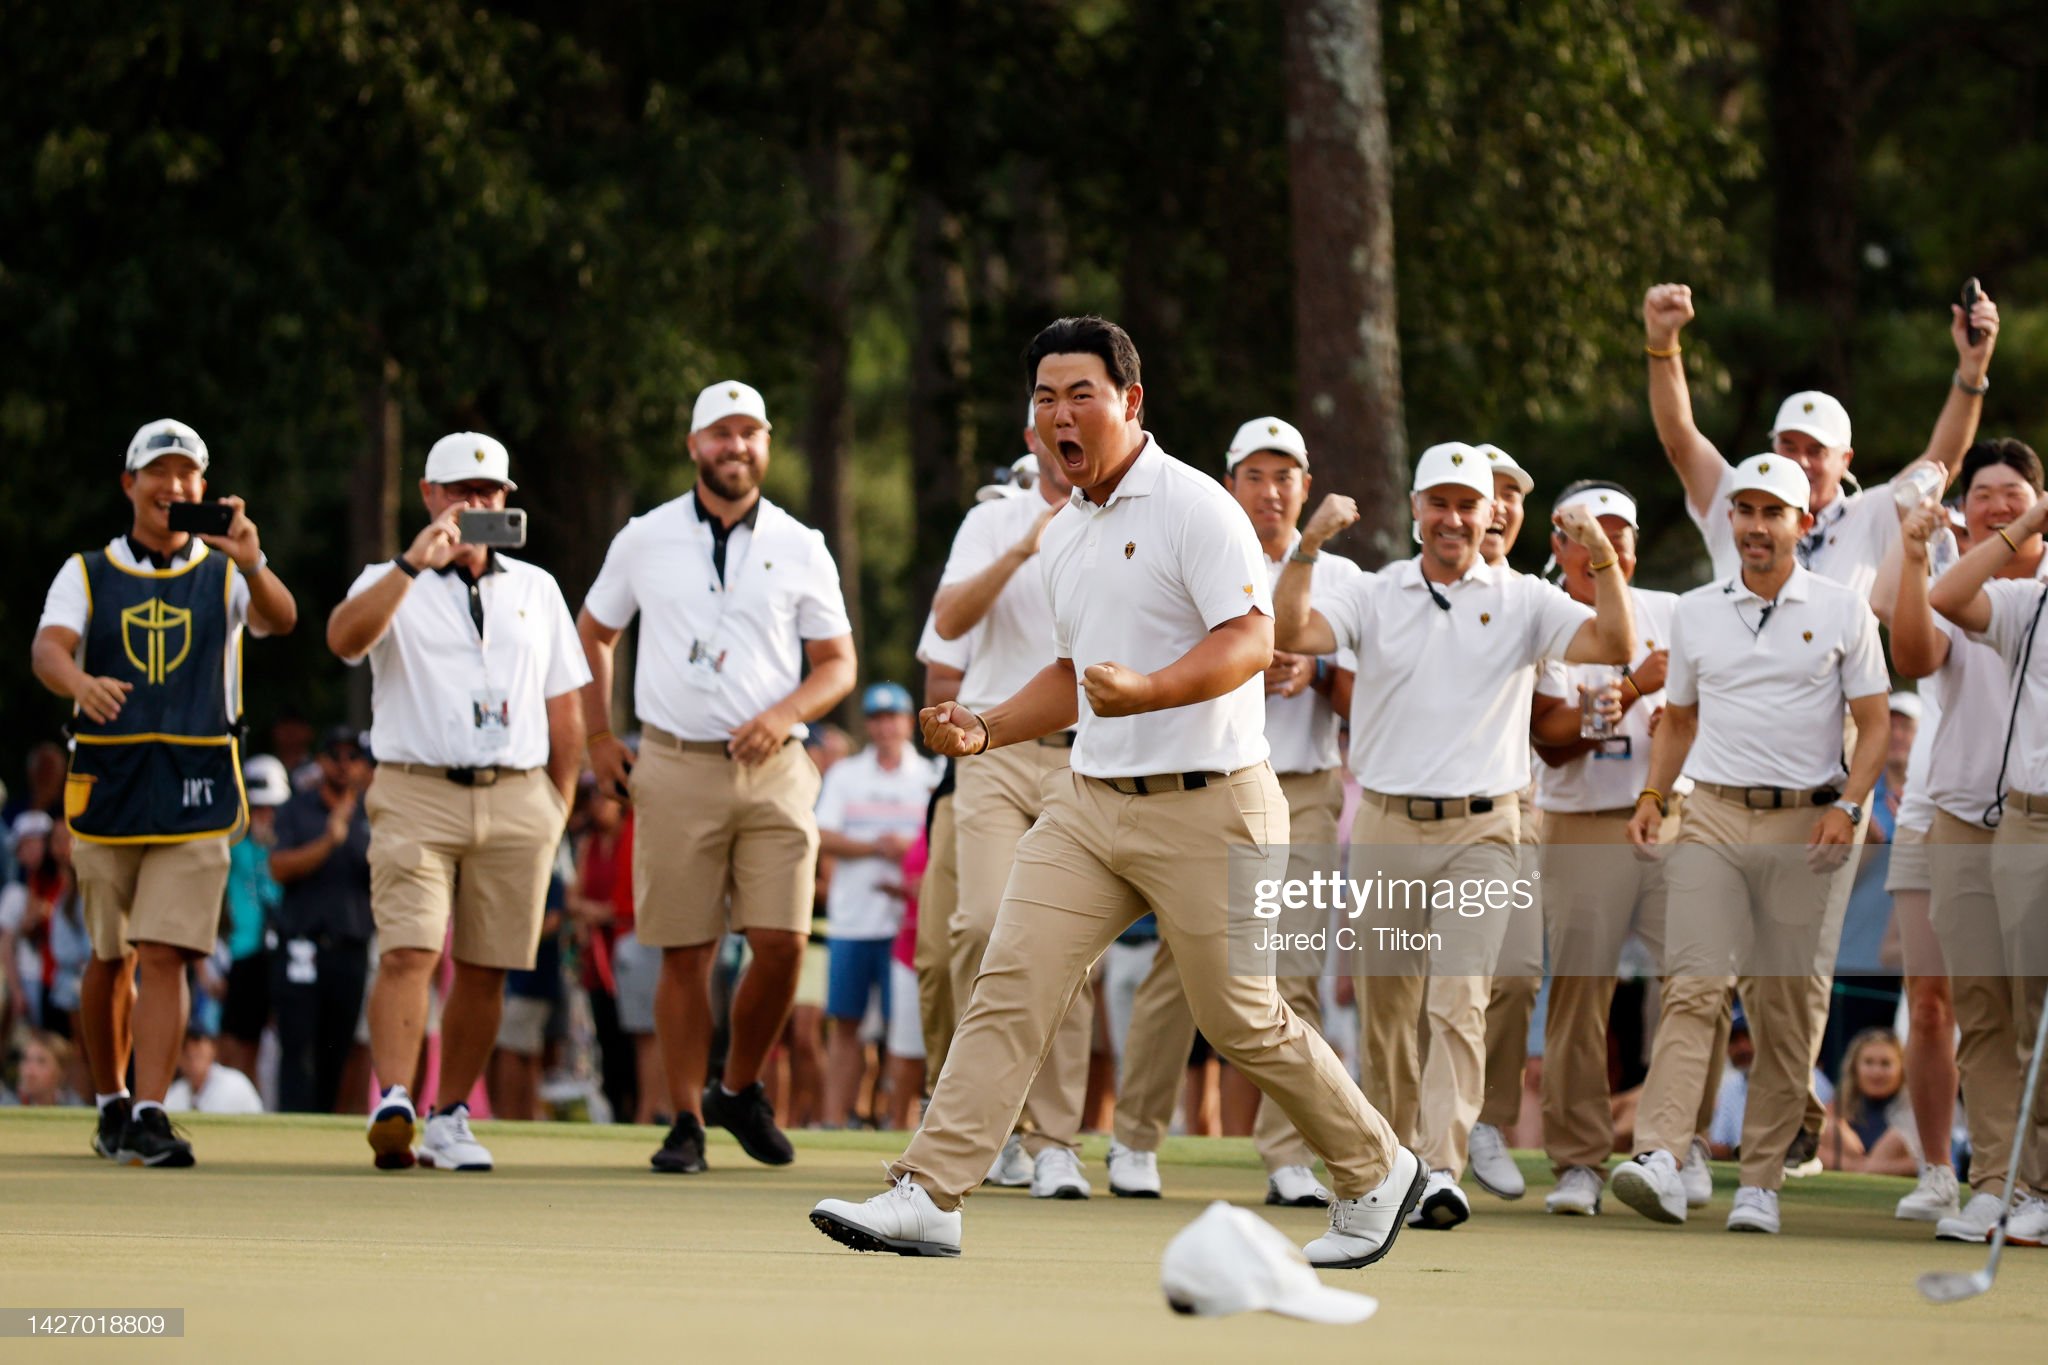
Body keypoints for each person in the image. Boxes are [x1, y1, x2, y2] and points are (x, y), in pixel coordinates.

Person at [811, 316, 1422, 1266]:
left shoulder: (1194, 506)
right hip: (1092, 804)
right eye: (1045, 397)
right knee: (1010, 979)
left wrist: (1147, 689)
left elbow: (1252, 640)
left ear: (1130, 403)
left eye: (1079, 394)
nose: (1060, 413)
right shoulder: (1064, 534)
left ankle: (1376, 1167)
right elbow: (1067, 668)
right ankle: (930, 1191)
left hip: (1214, 800)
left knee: (1241, 1019)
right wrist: (989, 725)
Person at [1645, 281, 2000, 1181]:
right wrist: (1664, 348)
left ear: (1843, 464)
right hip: (1719, 767)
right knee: (1699, 973)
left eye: (1812, 450)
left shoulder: (1875, 510)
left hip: (1830, 758)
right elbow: (1681, 438)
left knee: (1787, 986)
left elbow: (1944, 455)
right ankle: (1679, 1143)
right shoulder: (1736, 502)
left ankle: (1786, 1123)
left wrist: (1971, 370)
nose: (1794, 461)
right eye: (1784, 446)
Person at [1274, 445, 1637, 1230]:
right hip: (1385, 821)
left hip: (1485, 825)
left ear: (1489, 513)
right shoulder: (1376, 593)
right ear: (1415, 509)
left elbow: (1614, 644)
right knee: (1386, 1011)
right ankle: (1392, 1161)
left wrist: (1602, 554)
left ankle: (1441, 1165)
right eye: (1439, 502)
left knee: (1460, 996)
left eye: (1468, 504)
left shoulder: (1525, 600)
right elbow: (1290, 627)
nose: (1454, 518)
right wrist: (1309, 545)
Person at [579, 381, 856, 1174]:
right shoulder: (646, 536)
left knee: (781, 943)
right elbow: (593, 634)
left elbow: (838, 664)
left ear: (766, 445)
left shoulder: (802, 542)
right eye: (720, 434)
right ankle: (687, 1121)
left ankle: (737, 1086)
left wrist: (785, 711)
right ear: (694, 445)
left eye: (750, 433)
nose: (736, 446)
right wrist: (600, 735)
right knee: (684, 951)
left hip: (775, 765)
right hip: (673, 761)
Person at [1615, 454, 1888, 1235]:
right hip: (1712, 816)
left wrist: (1847, 803)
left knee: (1789, 1002)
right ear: (1730, 519)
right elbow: (1684, 721)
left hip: (1809, 823)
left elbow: (1873, 726)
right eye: (1745, 511)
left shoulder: (1843, 609)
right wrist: (1652, 797)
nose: (1757, 527)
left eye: (1774, 513)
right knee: (1693, 984)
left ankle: (1761, 1177)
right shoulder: (1696, 612)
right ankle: (1662, 1153)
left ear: (1803, 523)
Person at [1107, 414, 1363, 1209]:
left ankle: (1289, 1155)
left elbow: (1360, 700)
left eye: (1285, 475)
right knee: (1179, 975)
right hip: (1209, 785)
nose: (1271, 490)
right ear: (1230, 484)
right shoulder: (1199, 548)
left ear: (1306, 488)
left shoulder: (1344, 579)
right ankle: (1135, 1138)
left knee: (1291, 973)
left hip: (1306, 787)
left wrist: (1314, 672)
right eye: (1255, 474)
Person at [31, 418, 297, 1167]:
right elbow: (49, 646)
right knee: (110, 954)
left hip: (198, 784)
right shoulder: (87, 571)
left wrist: (253, 559)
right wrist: (80, 681)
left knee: (166, 950)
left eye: (187, 475)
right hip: (110, 784)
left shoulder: (225, 571)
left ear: (203, 488)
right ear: (130, 483)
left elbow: (281, 618)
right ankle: (111, 1098)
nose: (173, 487)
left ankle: (150, 1109)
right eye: (159, 472)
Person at [327, 432, 588, 1171]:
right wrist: (414, 561)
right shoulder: (389, 576)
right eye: (461, 491)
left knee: (486, 965)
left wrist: (555, 806)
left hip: (516, 792)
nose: (478, 504)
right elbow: (343, 639)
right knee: (408, 947)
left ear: (508, 500)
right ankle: (397, 1097)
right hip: (416, 787)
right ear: (429, 495)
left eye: (492, 493)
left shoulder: (536, 587)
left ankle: (450, 1115)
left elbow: (565, 704)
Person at [1527, 481, 1722, 1217]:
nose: (1608, 547)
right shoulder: (1547, 618)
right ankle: (1579, 1159)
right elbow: (1550, 744)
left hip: (1673, 817)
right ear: (1559, 545)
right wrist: (1637, 686)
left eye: (1620, 533)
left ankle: (1683, 1141)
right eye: (1589, 532)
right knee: (1580, 994)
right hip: (1579, 821)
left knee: (1698, 978)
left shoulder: (1676, 612)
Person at [929, 403, 1095, 1197]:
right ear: (1032, 442)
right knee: (982, 925)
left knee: (1069, 943)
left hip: (1084, 757)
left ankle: (1055, 1138)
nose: (1064, 438)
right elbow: (948, 618)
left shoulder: (1131, 520)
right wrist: (1027, 545)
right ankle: (988, 1127)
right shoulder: (992, 523)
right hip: (992, 745)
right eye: (1047, 427)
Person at [1892, 439, 2047, 1241]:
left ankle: (2035, 1181)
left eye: (2013, 491)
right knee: (1981, 1012)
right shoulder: (1987, 591)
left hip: (2036, 823)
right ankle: (1995, 1179)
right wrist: (1921, 546)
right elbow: (1923, 628)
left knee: (2035, 1013)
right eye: (1982, 492)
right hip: (1960, 816)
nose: (1996, 503)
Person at [1468, 442, 1545, 1203]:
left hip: (1511, 806)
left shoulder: (1536, 598)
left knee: (1515, 973)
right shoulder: (1406, 588)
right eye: (1482, 493)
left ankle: (1484, 1121)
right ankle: (1399, 1132)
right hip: (1412, 803)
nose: (1496, 507)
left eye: (1509, 496)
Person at [815, 684, 938, 1127]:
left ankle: (896, 1124)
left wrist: (906, 851)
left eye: (895, 717)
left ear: (908, 722)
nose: (886, 726)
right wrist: (877, 848)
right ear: (869, 724)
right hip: (853, 920)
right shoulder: (846, 774)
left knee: (904, 1033)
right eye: (878, 718)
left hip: (909, 925)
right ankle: (834, 1121)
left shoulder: (928, 775)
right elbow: (822, 834)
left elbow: (942, 843)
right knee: (845, 1025)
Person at [266, 727, 375, 1115]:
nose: (345, 766)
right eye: (336, 756)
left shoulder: (373, 814)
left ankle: (324, 1120)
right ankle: (292, 1120)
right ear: (322, 761)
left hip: (351, 947)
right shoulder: (297, 809)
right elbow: (278, 866)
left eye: (353, 758)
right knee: (297, 1042)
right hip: (303, 944)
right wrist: (329, 840)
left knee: (338, 1046)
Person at [219, 754, 288, 1081]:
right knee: (239, 1043)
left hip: (285, 954)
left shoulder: (291, 847)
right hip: (244, 950)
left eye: (271, 809)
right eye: (258, 808)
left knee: (285, 1043)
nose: (266, 816)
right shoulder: (232, 845)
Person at [1819, 1028, 1920, 1175]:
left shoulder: (1916, 1110)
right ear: (1855, 1067)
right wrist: (1861, 1166)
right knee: (1828, 1128)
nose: (1876, 1072)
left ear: (1901, 1068)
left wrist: (1864, 1167)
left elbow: (1924, 1163)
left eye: (1885, 1064)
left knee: (1898, 1137)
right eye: (1868, 1062)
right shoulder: (1837, 1107)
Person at [166, 1026, 263, 1115]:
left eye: (198, 1041)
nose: (192, 1050)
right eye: (185, 1046)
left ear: (213, 1048)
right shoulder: (174, 1094)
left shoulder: (236, 1084)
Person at [8, 1030, 80, 1107]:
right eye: (26, 1059)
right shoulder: (6, 1106)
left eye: (41, 1061)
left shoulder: (74, 1107)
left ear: (61, 1071)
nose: (29, 1071)